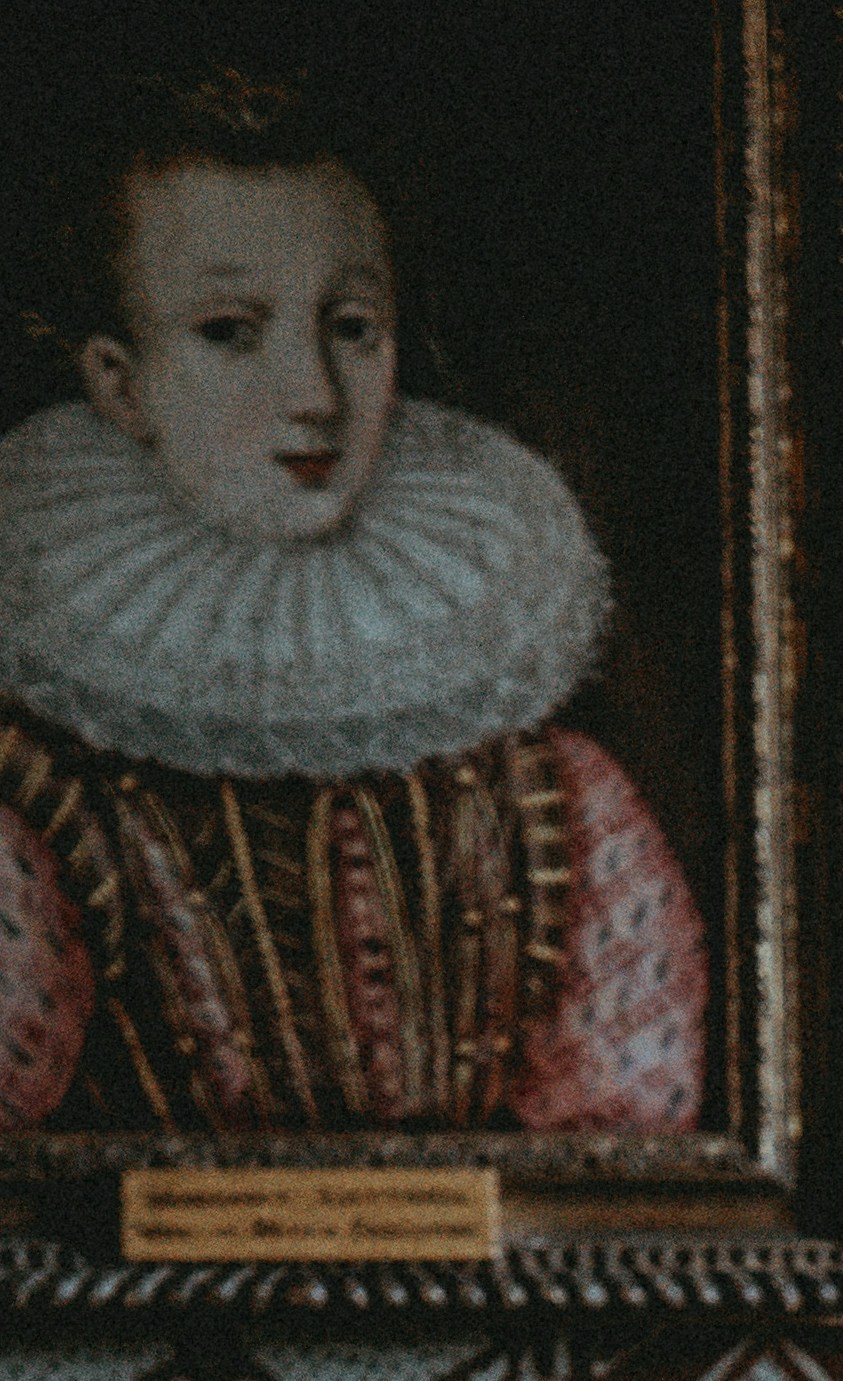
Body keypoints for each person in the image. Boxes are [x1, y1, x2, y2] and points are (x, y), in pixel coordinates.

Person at [0, 58, 704, 1135]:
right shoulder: (37, 796)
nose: (314, 397)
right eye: (231, 331)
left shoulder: (554, 796)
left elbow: (621, 1156)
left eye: (352, 327)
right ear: (119, 383)